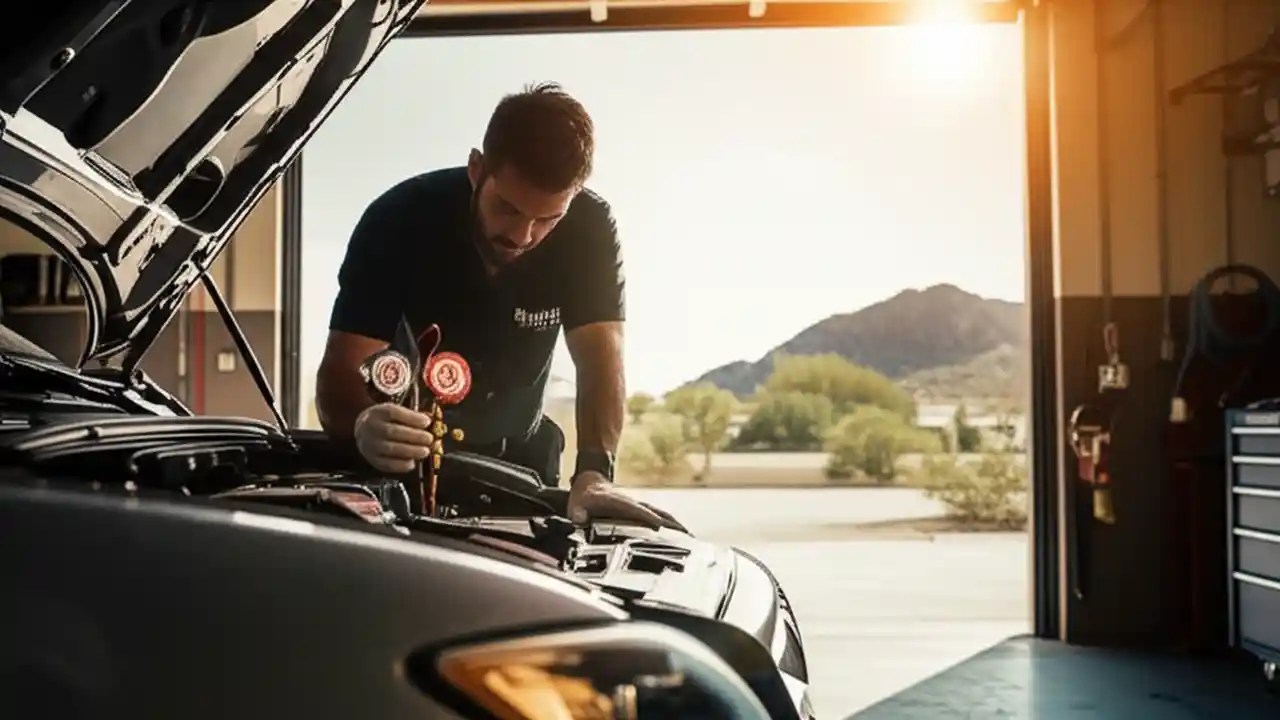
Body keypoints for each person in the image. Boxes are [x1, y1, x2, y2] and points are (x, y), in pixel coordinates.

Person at [315, 82, 678, 530]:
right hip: (409, 465)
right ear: (476, 168)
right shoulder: (399, 219)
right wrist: (362, 423)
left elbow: (601, 360)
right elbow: (342, 371)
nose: (523, 236)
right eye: (507, 208)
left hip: (523, 463)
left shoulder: (590, 228)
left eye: (548, 220)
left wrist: (595, 474)